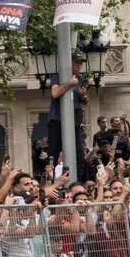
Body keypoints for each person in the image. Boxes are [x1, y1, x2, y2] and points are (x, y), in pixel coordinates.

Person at [47, 54, 88, 182]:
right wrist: (69, 84)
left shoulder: (80, 78)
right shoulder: (57, 76)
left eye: (81, 63)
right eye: (77, 63)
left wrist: (83, 95)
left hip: (74, 122)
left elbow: (86, 101)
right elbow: (55, 93)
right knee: (54, 154)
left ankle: (78, 183)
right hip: (57, 120)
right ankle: (51, 181)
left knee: (79, 156)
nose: (79, 66)